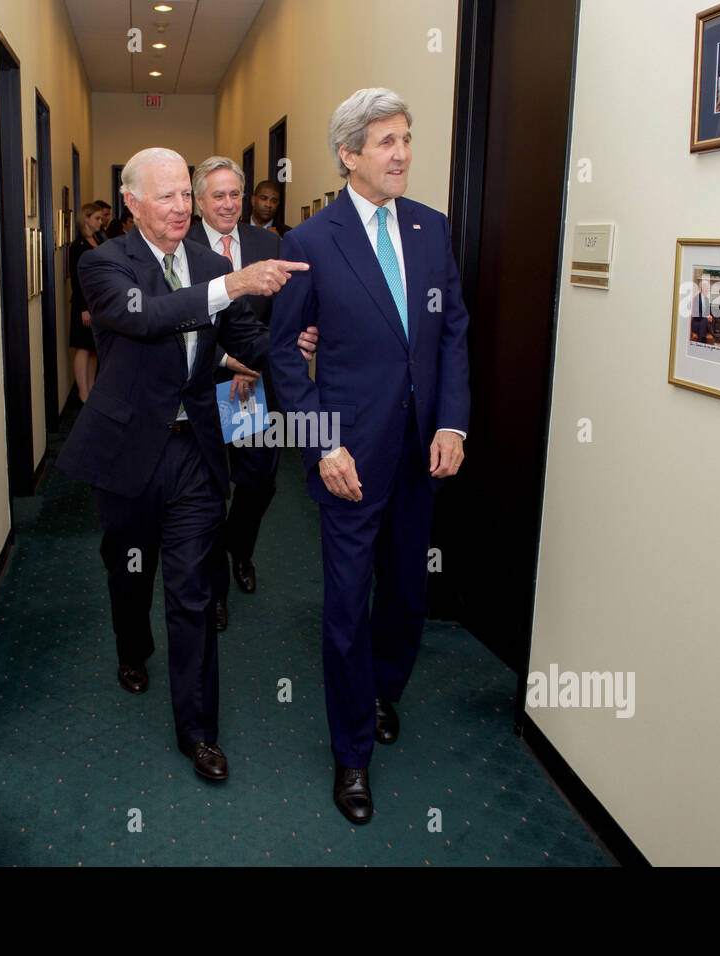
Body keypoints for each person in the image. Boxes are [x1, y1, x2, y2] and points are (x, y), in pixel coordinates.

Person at [54, 147, 313, 782]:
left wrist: (292, 347)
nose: (180, 207)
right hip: (129, 451)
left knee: (194, 591)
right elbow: (147, 319)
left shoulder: (203, 261)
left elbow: (241, 337)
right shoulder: (104, 263)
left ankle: (199, 731)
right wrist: (235, 284)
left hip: (195, 447)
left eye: (184, 196)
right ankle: (132, 646)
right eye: (166, 196)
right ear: (133, 204)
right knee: (129, 568)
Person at [269, 88, 470, 824]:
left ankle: (384, 689)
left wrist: (453, 423)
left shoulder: (431, 229)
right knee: (348, 607)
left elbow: (452, 335)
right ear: (349, 154)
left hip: (422, 453)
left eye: (407, 138)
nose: (403, 153)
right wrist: (322, 443)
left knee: (408, 594)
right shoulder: (311, 243)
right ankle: (351, 752)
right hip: (347, 456)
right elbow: (286, 355)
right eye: (386, 142)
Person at [192, 156, 283, 632]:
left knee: (258, 483)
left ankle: (240, 551)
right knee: (207, 492)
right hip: (205, 388)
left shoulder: (267, 243)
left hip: (255, 391)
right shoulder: (181, 247)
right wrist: (230, 361)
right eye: (217, 195)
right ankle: (214, 592)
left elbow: (281, 312)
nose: (228, 204)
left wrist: (260, 362)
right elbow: (182, 323)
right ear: (199, 201)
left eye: (234, 195)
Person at [67, 204, 107, 402]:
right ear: (86, 219)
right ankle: (82, 392)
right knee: (83, 348)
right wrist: (84, 308)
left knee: (93, 348)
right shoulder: (78, 246)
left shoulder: (98, 239)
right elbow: (77, 279)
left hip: (97, 301)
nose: (101, 222)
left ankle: (91, 388)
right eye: (97, 218)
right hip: (85, 304)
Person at [691, 278, 715, 342]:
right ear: (703, 288)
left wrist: (710, 317)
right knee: (704, 319)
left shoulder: (707, 299)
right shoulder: (696, 298)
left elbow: (710, 312)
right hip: (697, 323)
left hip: (705, 324)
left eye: (708, 288)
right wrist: (706, 317)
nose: (708, 289)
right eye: (707, 288)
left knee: (704, 320)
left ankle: (702, 339)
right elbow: (696, 314)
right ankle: (702, 340)